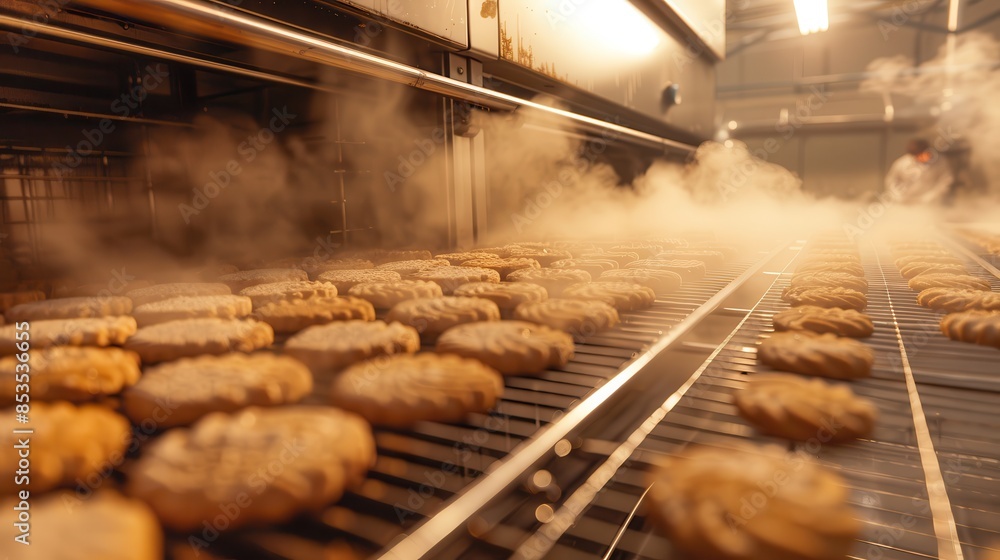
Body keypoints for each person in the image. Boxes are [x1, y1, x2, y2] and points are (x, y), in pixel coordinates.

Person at [883, 138, 954, 205]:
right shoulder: (902, 163)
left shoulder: (940, 162)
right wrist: (898, 196)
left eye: (925, 155)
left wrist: (930, 197)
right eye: (919, 156)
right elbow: (891, 180)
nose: (923, 158)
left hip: (930, 204)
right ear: (912, 156)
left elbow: (946, 181)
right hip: (905, 203)